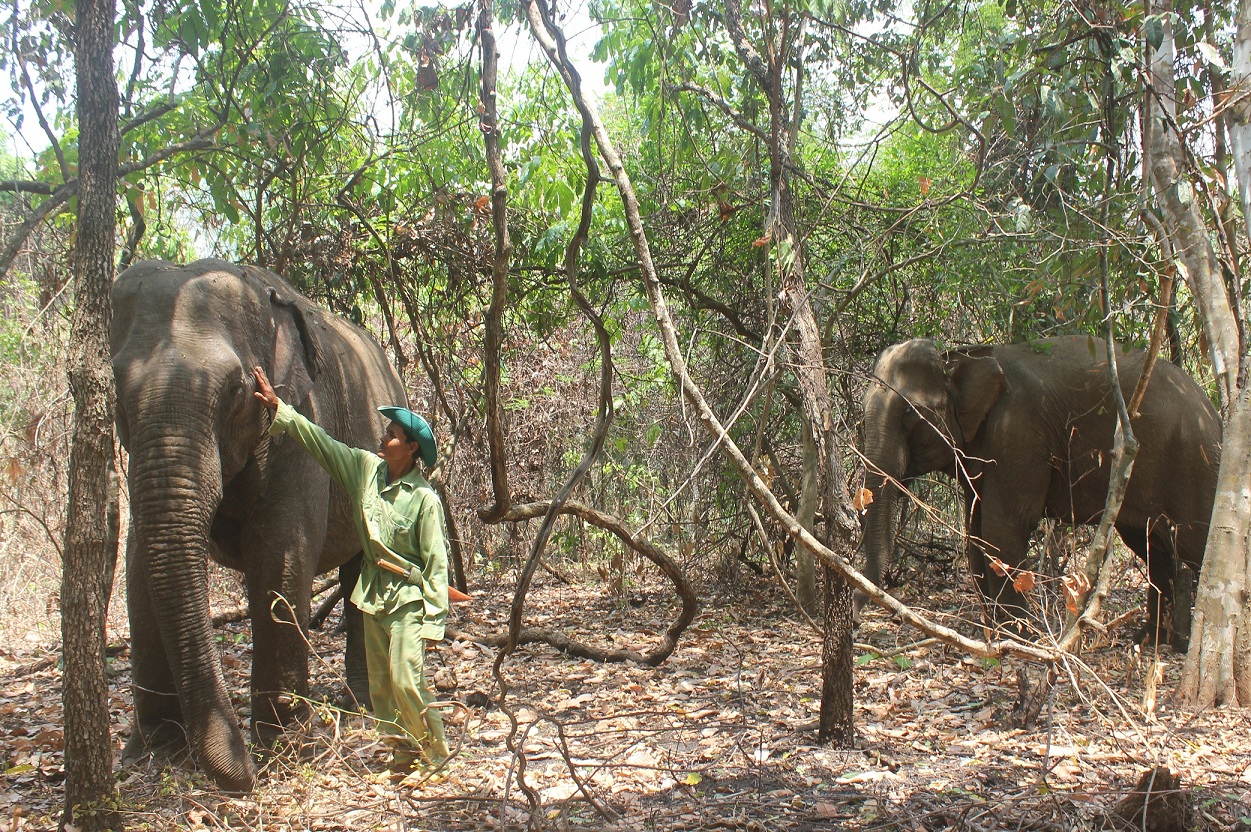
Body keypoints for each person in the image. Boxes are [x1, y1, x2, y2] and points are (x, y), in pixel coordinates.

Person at [252, 366, 450, 775]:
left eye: (393, 434)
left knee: (406, 680)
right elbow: (323, 445)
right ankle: (403, 758)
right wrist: (281, 410)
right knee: (380, 688)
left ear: (411, 448)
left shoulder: (425, 499)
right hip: (372, 595)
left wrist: (434, 622)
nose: (384, 437)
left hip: (410, 600)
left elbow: (436, 563)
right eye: (387, 430)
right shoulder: (364, 469)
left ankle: (437, 759)